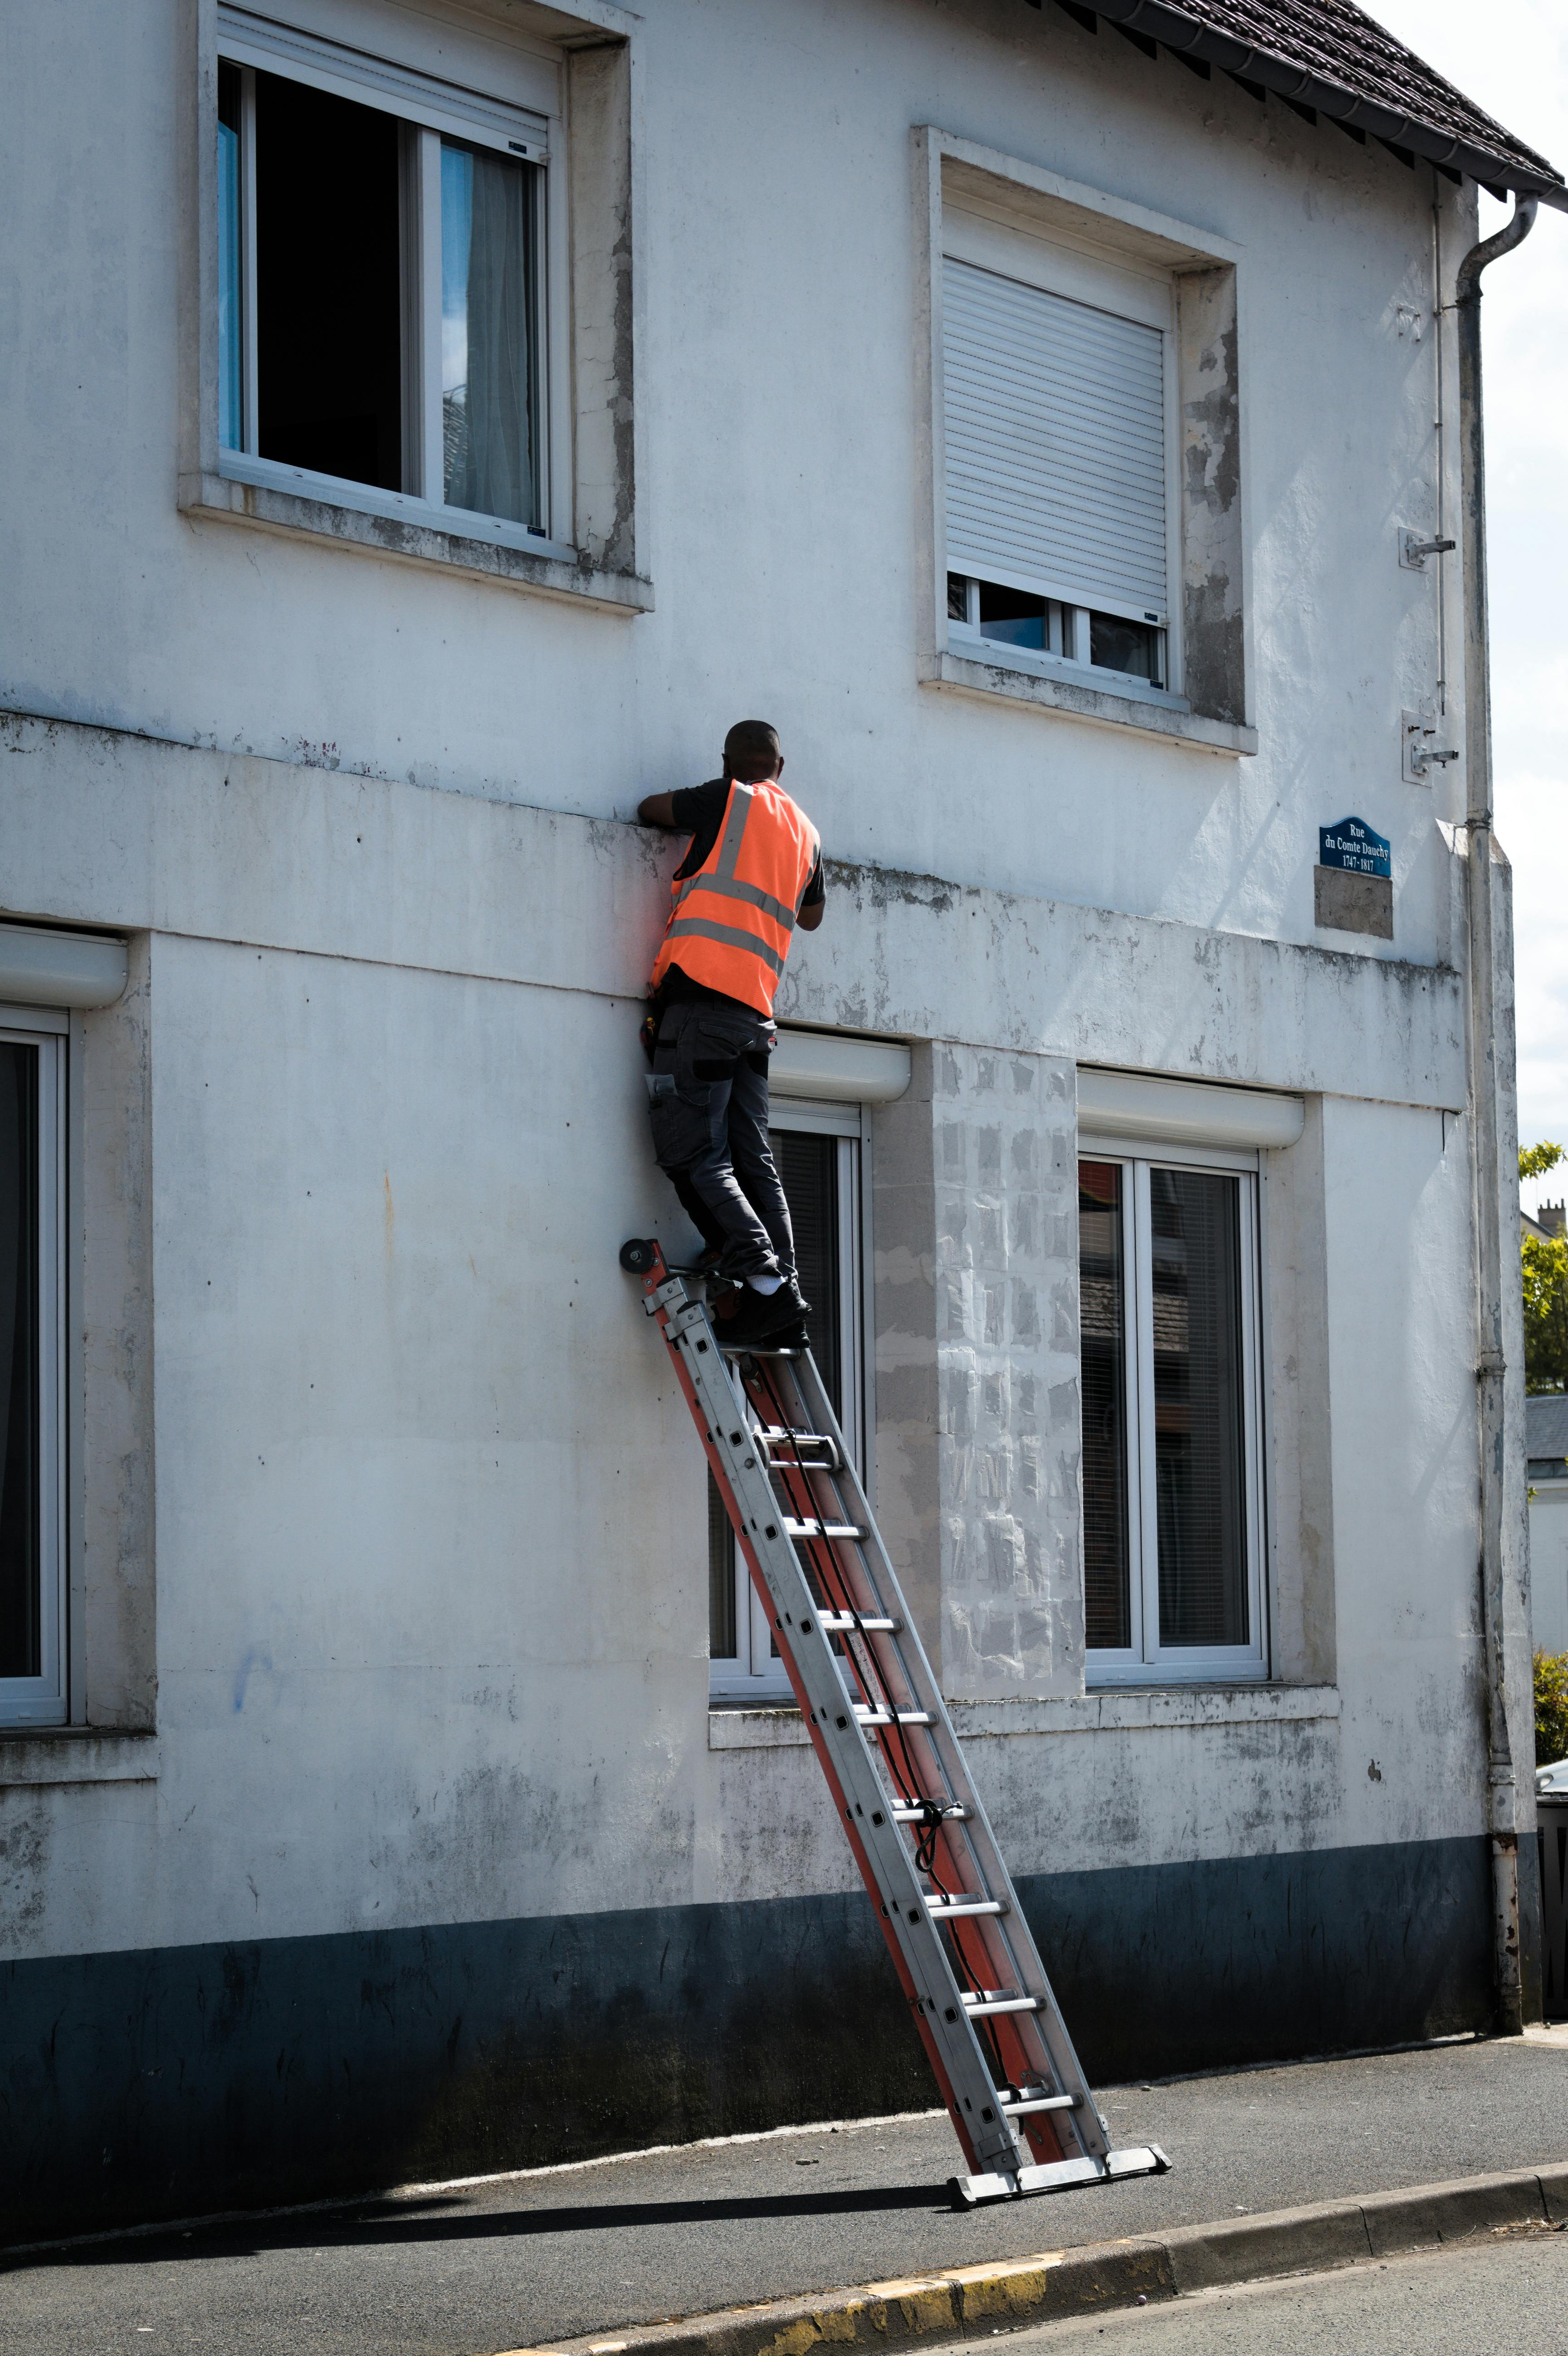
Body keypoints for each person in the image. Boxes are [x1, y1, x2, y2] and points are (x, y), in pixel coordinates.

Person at [637, 720, 825, 1348]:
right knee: (753, 1158)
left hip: (701, 1002)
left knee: (695, 1153)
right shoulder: (806, 832)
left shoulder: (726, 798)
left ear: (727, 762)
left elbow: (651, 809)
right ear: (781, 763)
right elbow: (813, 914)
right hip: (754, 1015)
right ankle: (784, 1292)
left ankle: (764, 1282)